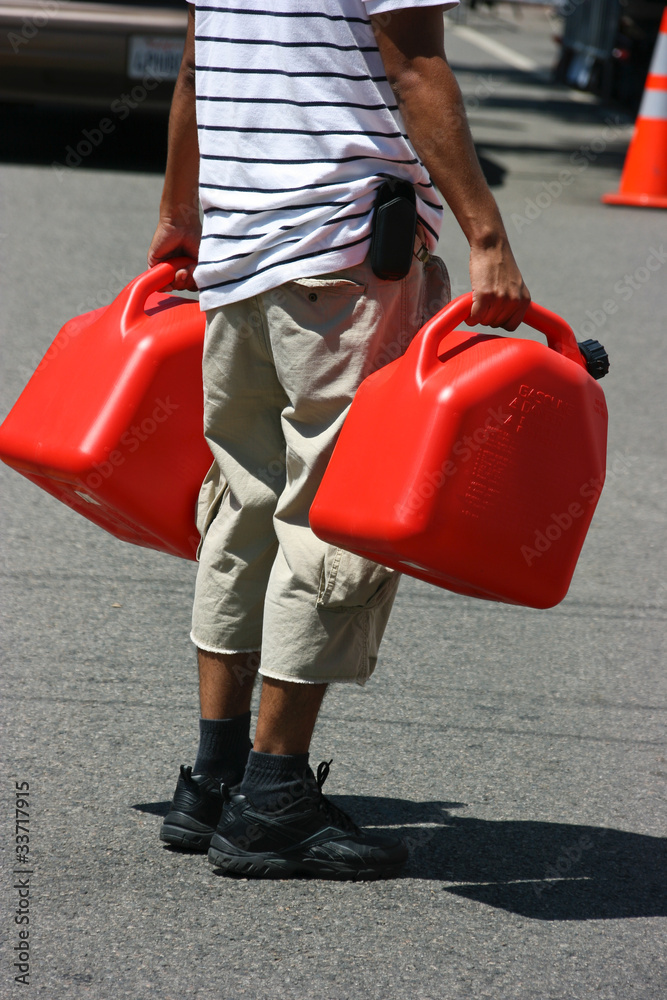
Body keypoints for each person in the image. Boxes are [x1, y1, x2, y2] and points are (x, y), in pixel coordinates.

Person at [148, 0, 530, 880]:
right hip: (343, 254)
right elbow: (414, 70)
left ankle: (214, 778)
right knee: (334, 514)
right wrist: (486, 234)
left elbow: (196, 73)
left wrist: (180, 211)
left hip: (238, 255)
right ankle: (273, 796)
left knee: (243, 505)